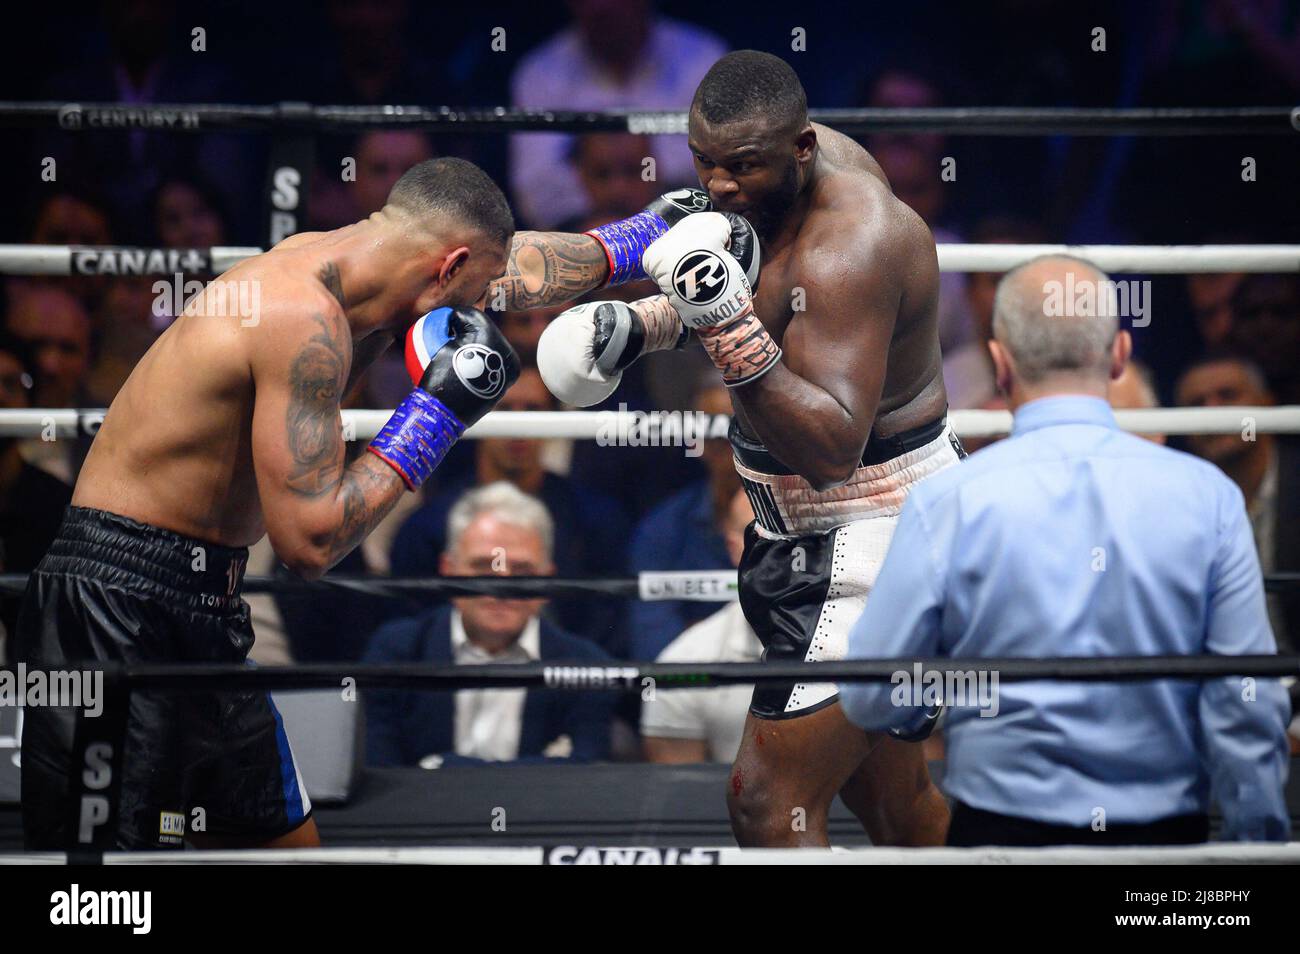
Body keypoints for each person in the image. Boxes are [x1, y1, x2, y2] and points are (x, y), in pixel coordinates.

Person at [16, 156, 521, 851]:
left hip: (206, 608)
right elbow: (308, 543)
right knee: (101, 892)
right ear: (449, 263)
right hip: (111, 610)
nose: (485, 310)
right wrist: (435, 415)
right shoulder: (298, 312)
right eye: (482, 290)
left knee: (285, 856)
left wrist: (643, 239)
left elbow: (531, 261)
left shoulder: (360, 279)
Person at [537, 51, 963, 847]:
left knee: (767, 803)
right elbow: (757, 288)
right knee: (892, 802)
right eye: (704, 164)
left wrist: (719, 322)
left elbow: (832, 446)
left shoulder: (854, 241)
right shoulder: (771, 177)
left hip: (872, 534)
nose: (721, 186)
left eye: (742, 168)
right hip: (799, 535)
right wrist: (646, 324)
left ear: (802, 148)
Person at [840, 255, 1291, 846]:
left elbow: (872, 696)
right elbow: (1243, 695)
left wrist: (964, 684)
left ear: (1000, 363)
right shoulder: (1209, 499)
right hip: (1164, 845)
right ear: (1119, 355)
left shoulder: (946, 502)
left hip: (997, 839)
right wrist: (1258, 842)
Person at [365, 482, 613, 766]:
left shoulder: (585, 667)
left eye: (521, 570)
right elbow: (379, 778)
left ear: (547, 580)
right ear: (449, 572)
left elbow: (580, 785)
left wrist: (445, 766)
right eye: (484, 567)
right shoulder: (396, 652)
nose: (501, 586)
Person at [390, 367, 629, 650]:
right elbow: (413, 626)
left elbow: (610, 623)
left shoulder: (597, 520)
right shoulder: (426, 528)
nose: (518, 424)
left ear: (555, 421)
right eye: (504, 408)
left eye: (532, 409)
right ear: (477, 415)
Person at [508, 0, 725, 228]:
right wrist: (606, 229)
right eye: (603, 174)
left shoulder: (702, 57)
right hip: (581, 233)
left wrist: (654, 214)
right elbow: (536, 190)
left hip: (686, 227)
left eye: (632, 171)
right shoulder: (539, 73)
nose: (602, 7)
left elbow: (718, 170)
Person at [1176, 356, 1299, 653]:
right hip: (1226, 683)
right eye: (1197, 404)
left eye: (1227, 396)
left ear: (1267, 405)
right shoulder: (1175, 501)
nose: (1212, 412)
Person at [642, 489, 762, 763]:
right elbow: (680, 798)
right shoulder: (684, 661)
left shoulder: (862, 644)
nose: (783, 555)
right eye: (761, 539)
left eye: (797, 538)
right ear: (734, 548)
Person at [627, 379, 739, 660]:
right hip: (695, 690)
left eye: (738, 428)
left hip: (780, 686)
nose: (727, 442)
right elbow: (656, 648)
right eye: (713, 430)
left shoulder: (798, 521)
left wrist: (696, 633)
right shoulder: (662, 530)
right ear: (695, 441)